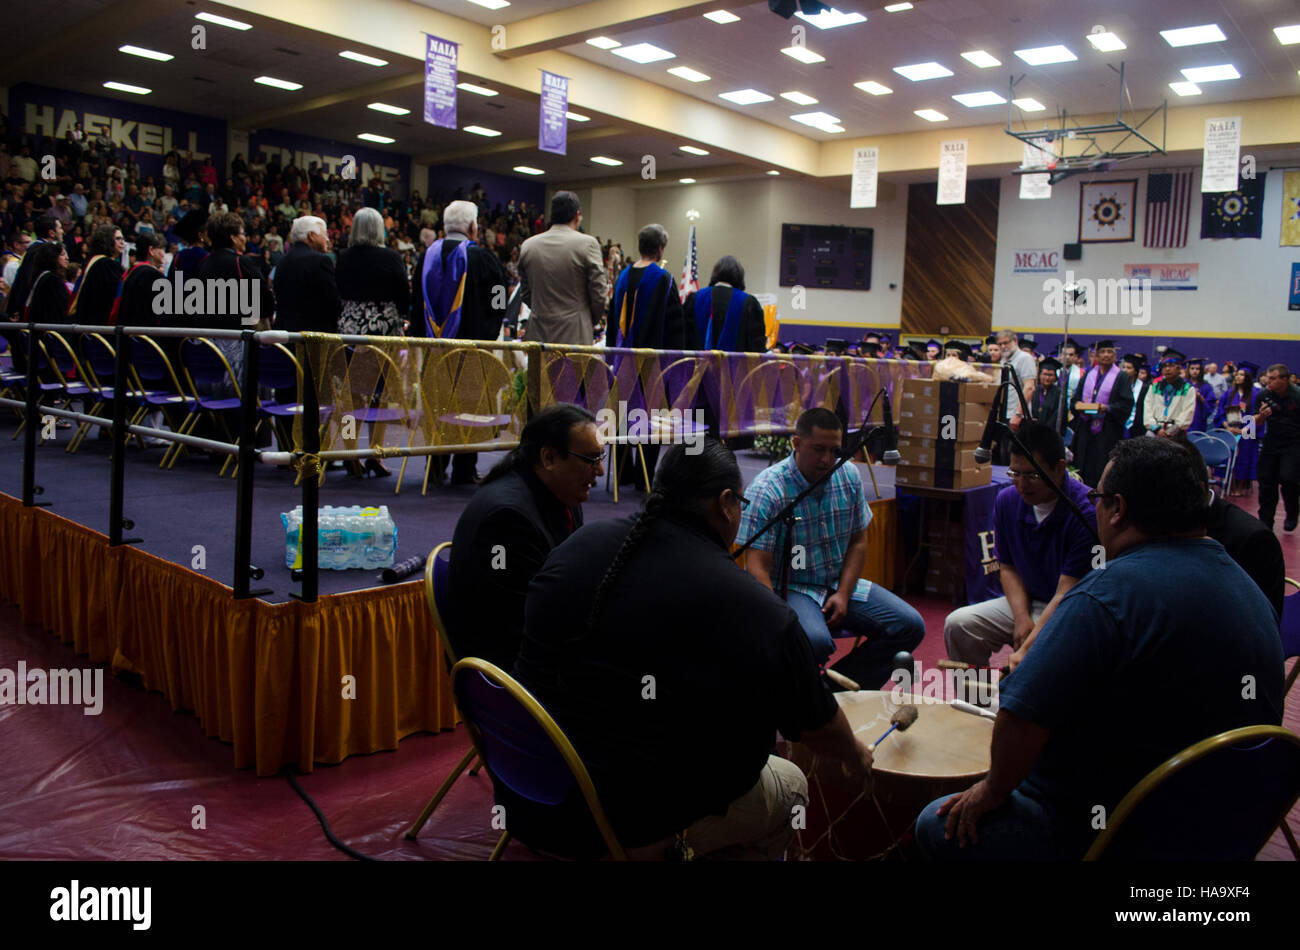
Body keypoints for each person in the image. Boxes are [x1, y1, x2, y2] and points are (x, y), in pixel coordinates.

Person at [916, 438, 1284, 860]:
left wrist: (992, 789)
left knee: (937, 823)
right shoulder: (1243, 584)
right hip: (1224, 824)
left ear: (1118, 508)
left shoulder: (1108, 596)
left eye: (1098, 499)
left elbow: (1019, 718)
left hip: (1121, 828)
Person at [511, 439, 873, 860]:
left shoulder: (578, 545)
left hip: (532, 793)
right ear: (725, 504)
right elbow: (819, 729)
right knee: (790, 784)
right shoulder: (755, 610)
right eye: (740, 502)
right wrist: (855, 754)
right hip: (620, 827)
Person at [739, 408, 925, 688]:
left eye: (834, 451)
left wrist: (844, 593)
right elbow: (756, 569)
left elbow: (858, 540)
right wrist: (777, 620)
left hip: (836, 583)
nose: (827, 460)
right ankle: (812, 703)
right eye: (818, 450)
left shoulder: (848, 475)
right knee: (814, 642)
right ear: (797, 443)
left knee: (910, 625)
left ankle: (834, 693)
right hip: (790, 588)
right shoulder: (767, 489)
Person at [443, 405, 604, 672]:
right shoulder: (506, 519)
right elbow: (522, 622)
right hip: (506, 672)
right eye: (590, 459)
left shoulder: (559, 490)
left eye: (600, 457)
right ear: (549, 457)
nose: (599, 470)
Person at [944, 422, 1096, 672]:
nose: (1022, 485)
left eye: (1032, 475)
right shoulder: (1007, 500)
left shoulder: (1085, 513)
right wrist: (1022, 617)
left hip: (1068, 609)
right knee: (959, 624)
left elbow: (1065, 593)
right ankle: (973, 704)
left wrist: (1025, 649)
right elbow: (1007, 566)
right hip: (1026, 601)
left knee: (1037, 655)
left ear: (1059, 468)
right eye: (1015, 474)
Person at [413, 198, 509, 486]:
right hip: (472, 350)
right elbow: (500, 299)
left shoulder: (425, 257)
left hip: (435, 349)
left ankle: (435, 464)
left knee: (438, 404)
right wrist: (489, 332)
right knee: (470, 407)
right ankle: (464, 469)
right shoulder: (484, 258)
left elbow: (416, 303)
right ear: (472, 227)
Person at [1169, 430, 1284, 620]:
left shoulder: (1251, 539)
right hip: (1229, 430)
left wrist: (1246, 428)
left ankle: (1247, 490)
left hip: (1249, 438)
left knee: (1264, 474)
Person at [517, 190, 606, 344]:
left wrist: (543, 309)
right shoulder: (588, 244)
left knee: (539, 369)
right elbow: (598, 294)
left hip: (539, 332)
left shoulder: (528, 246)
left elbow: (526, 293)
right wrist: (587, 319)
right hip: (575, 333)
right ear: (577, 216)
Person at [606, 223, 685, 350]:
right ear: (660, 248)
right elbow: (674, 327)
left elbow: (611, 321)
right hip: (652, 361)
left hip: (621, 357)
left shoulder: (623, 276)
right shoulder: (664, 279)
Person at [335, 207, 408, 337]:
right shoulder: (392, 257)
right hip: (384, 325)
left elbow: (338, 290)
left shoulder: (343, 257)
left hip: (351, 325)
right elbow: (403, 292)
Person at [1069, 339, 1133, 487]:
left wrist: (1106, 408)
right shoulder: (1088, 375)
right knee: (1083, 465)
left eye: (1109, 352)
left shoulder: (1121, 377)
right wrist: (1077, 405)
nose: (1106, 355)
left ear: (1115, 356)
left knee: (1101, 467)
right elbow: (1075, 400)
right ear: (1096, 356)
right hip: (1085, 430)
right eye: (1102, 352)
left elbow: (1126, 404)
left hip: (1107, 431)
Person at [681, 256, 767, 353]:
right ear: (739, 276)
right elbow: (756, 346)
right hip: (736, 367)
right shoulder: (749, 303)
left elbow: (683, 339)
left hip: (696, 366)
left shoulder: (694, 299)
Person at [272, 215, 339, 333]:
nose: (327, 239)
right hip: (312, 337)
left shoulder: (282, 260)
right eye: (325, 234)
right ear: (311, 236)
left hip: (285, 334)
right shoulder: (320, 260)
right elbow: (332, 302)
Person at [1255, 362, 1300, 532]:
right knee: (1266, 483)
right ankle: (1266, 523)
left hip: (1294, 444)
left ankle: (1292, 512)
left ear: (1285, 380)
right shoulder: (1263, 395)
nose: (1269, 382)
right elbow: (1251, 425)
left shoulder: (1297, 396)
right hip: (1271, 442)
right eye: (1268, 378)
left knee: (1289, 480)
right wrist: (1261, 416)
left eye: (1273, 379)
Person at [1211, 362, 1260, 493]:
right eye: (1237, 374)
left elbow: (1258, 415)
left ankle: (1240, 486)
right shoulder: (1228, 393)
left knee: (1245, 458)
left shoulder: (1256, 394)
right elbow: (1220, 413)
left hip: (1247, 432)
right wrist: (1227, 427)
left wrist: (1245, 429)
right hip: (1230, 430)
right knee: (1230, 457)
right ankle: (1229, 484)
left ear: (1248, 377)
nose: (1238, 377)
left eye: (1242, 375)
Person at [5, 213, 63, 320]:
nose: (62, 231)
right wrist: (18, 307)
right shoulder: (42, 251)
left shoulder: (34, 249)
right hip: (33, 311)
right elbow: (27, 280)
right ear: (51, 233)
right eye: (60, 228)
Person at [994, 330, 1037, 463]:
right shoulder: (1003, 360)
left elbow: (1029, 387)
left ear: (1015, 341)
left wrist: (1018, 415)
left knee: (1013, 459)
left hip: (1016, 417)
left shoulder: (1024, 358)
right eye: (1000, 344)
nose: (1002, 347)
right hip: (1003, 415)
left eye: (1006, 343)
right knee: (1002, 458)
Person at [67, 225, 124, 323]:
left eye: (123, 239)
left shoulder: (94, 261)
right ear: (107, 240)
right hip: (101, 324)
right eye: (118, 239)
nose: (122, 242)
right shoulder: (107, 264)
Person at [111, 231, 167, 326]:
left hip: (128, 332)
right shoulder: (153, 275)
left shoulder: (129, 272)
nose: (163, 253)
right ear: (151, 250)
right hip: (146, 334)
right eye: (161, 249)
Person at [1143, 351, 1195, 437]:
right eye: (1164, 366)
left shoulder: (1187, 389)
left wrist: (1170, 431)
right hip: (1155, 432)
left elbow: (1187, 413)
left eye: (1171, 366)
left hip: (1176, 433)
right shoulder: (1154, 387)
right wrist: (1156, 429)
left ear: (1179, 368)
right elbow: (1147, 409)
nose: (1167, 369)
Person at [1028, 356, 1064, 434]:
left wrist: (1045, 430)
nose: (1047, 378)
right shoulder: (1034, 390)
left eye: (1050, 375)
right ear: (1039, 375)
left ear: (1055, 377)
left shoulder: (1059, 393)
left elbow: (1058, 415)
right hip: (1033, 431)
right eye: (1044, 374)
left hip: (1051, 433)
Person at [1122, 353, 1151, 438]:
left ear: (1135, 371)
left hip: (1137, 427)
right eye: (1123, 367)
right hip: (1120, 425)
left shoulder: (1144, 388)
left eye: (1129, 368)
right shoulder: (1118, 385)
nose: (1125, 370)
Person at [1186, 358, 1216, 433]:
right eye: (1192, 368)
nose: (1195, 371)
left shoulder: (1206, 387)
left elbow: (1210, 405)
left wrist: (1200, 398)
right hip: (1184, 420)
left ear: (1201, 371)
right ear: (1188, 370)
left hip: (1198, 421)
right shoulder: (1183, 385)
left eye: (1197, 369)